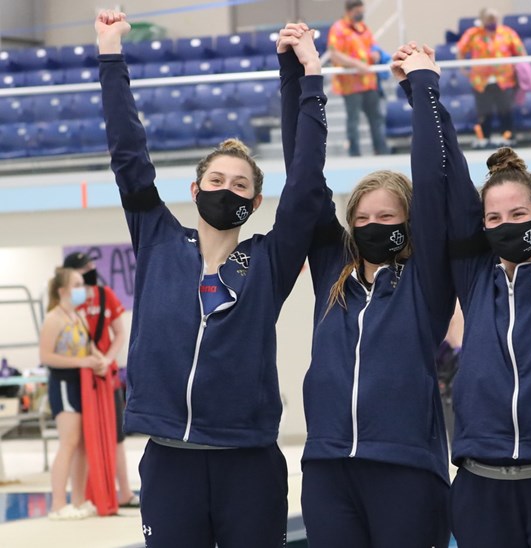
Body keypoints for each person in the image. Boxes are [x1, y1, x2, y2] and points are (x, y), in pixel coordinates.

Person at [96, 10, 325, 546]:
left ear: (255, 201)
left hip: (248, 463)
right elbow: (128, 156)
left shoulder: (268, 262)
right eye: (216, 179)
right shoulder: (156, 239)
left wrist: (308, 79)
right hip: (169, 463)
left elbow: (308, 185)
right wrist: (111, 55)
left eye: (240, 184)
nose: (228, 189)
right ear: (195, 191)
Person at [407, 33, 531, 544]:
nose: (505, 225)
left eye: (518, 215)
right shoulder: (475, 278)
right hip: (480, 485)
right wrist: (424, 88)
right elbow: (442, 180)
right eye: (494, 217)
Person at [276, 26, 454, 547]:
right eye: (364, 217)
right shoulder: (335, 268)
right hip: (329, 469)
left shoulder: (427, 280)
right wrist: (302, 75)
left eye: (388, 216)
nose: (374, 225)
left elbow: (435, 178)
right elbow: (303, 177)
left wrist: (421, 90)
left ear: (410, 221)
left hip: (406, 468)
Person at [62, 251, 137, 508]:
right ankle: (82, 498)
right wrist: (92, 360)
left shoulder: (106, 295)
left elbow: (119, 333)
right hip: (79, 377)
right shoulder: (69, 302)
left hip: (107, 376)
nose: (90, 272)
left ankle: (124, 493)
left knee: (116, 435)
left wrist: (106, 360)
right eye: (84, 270)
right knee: (79, 440)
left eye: (91, 267)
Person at [38, 267, 108, 520]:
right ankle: (58, 503)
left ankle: (79, 500)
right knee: (68, 443)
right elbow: (45, 356)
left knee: (82, 446)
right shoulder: (54, 318)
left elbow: (89, 347)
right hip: (64, 383)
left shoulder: (77, 316)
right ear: (62, 290)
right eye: (77, 284)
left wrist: (99, 360)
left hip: (82, 383)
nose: (83, 289)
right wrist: (82, 363)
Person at [456, 8, 527, 148]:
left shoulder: (507, 32)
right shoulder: (473, 34)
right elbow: (460, 50)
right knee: (483, 111)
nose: (491, 22)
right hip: (481, 81)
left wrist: (520, 68)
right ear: (482, 20)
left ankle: (507, 137)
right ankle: (484, 138)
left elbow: (520, 51)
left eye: (493, 19)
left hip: (505, 79)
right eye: (488, 19)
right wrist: (462, 68)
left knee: (505, 110)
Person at [327, 0, 389, 156]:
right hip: (350, 84)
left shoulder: (363, 28)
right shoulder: (338, 29)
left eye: (362, 11)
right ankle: (354, 155)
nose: (361, 14)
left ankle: (381, 151)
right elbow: (335, 54)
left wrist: (376, 54)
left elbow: (373, 46)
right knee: (353, 121)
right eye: (358, 11)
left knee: (376, 119)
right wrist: (355, 64)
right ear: (349, 11)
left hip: (369, 82)